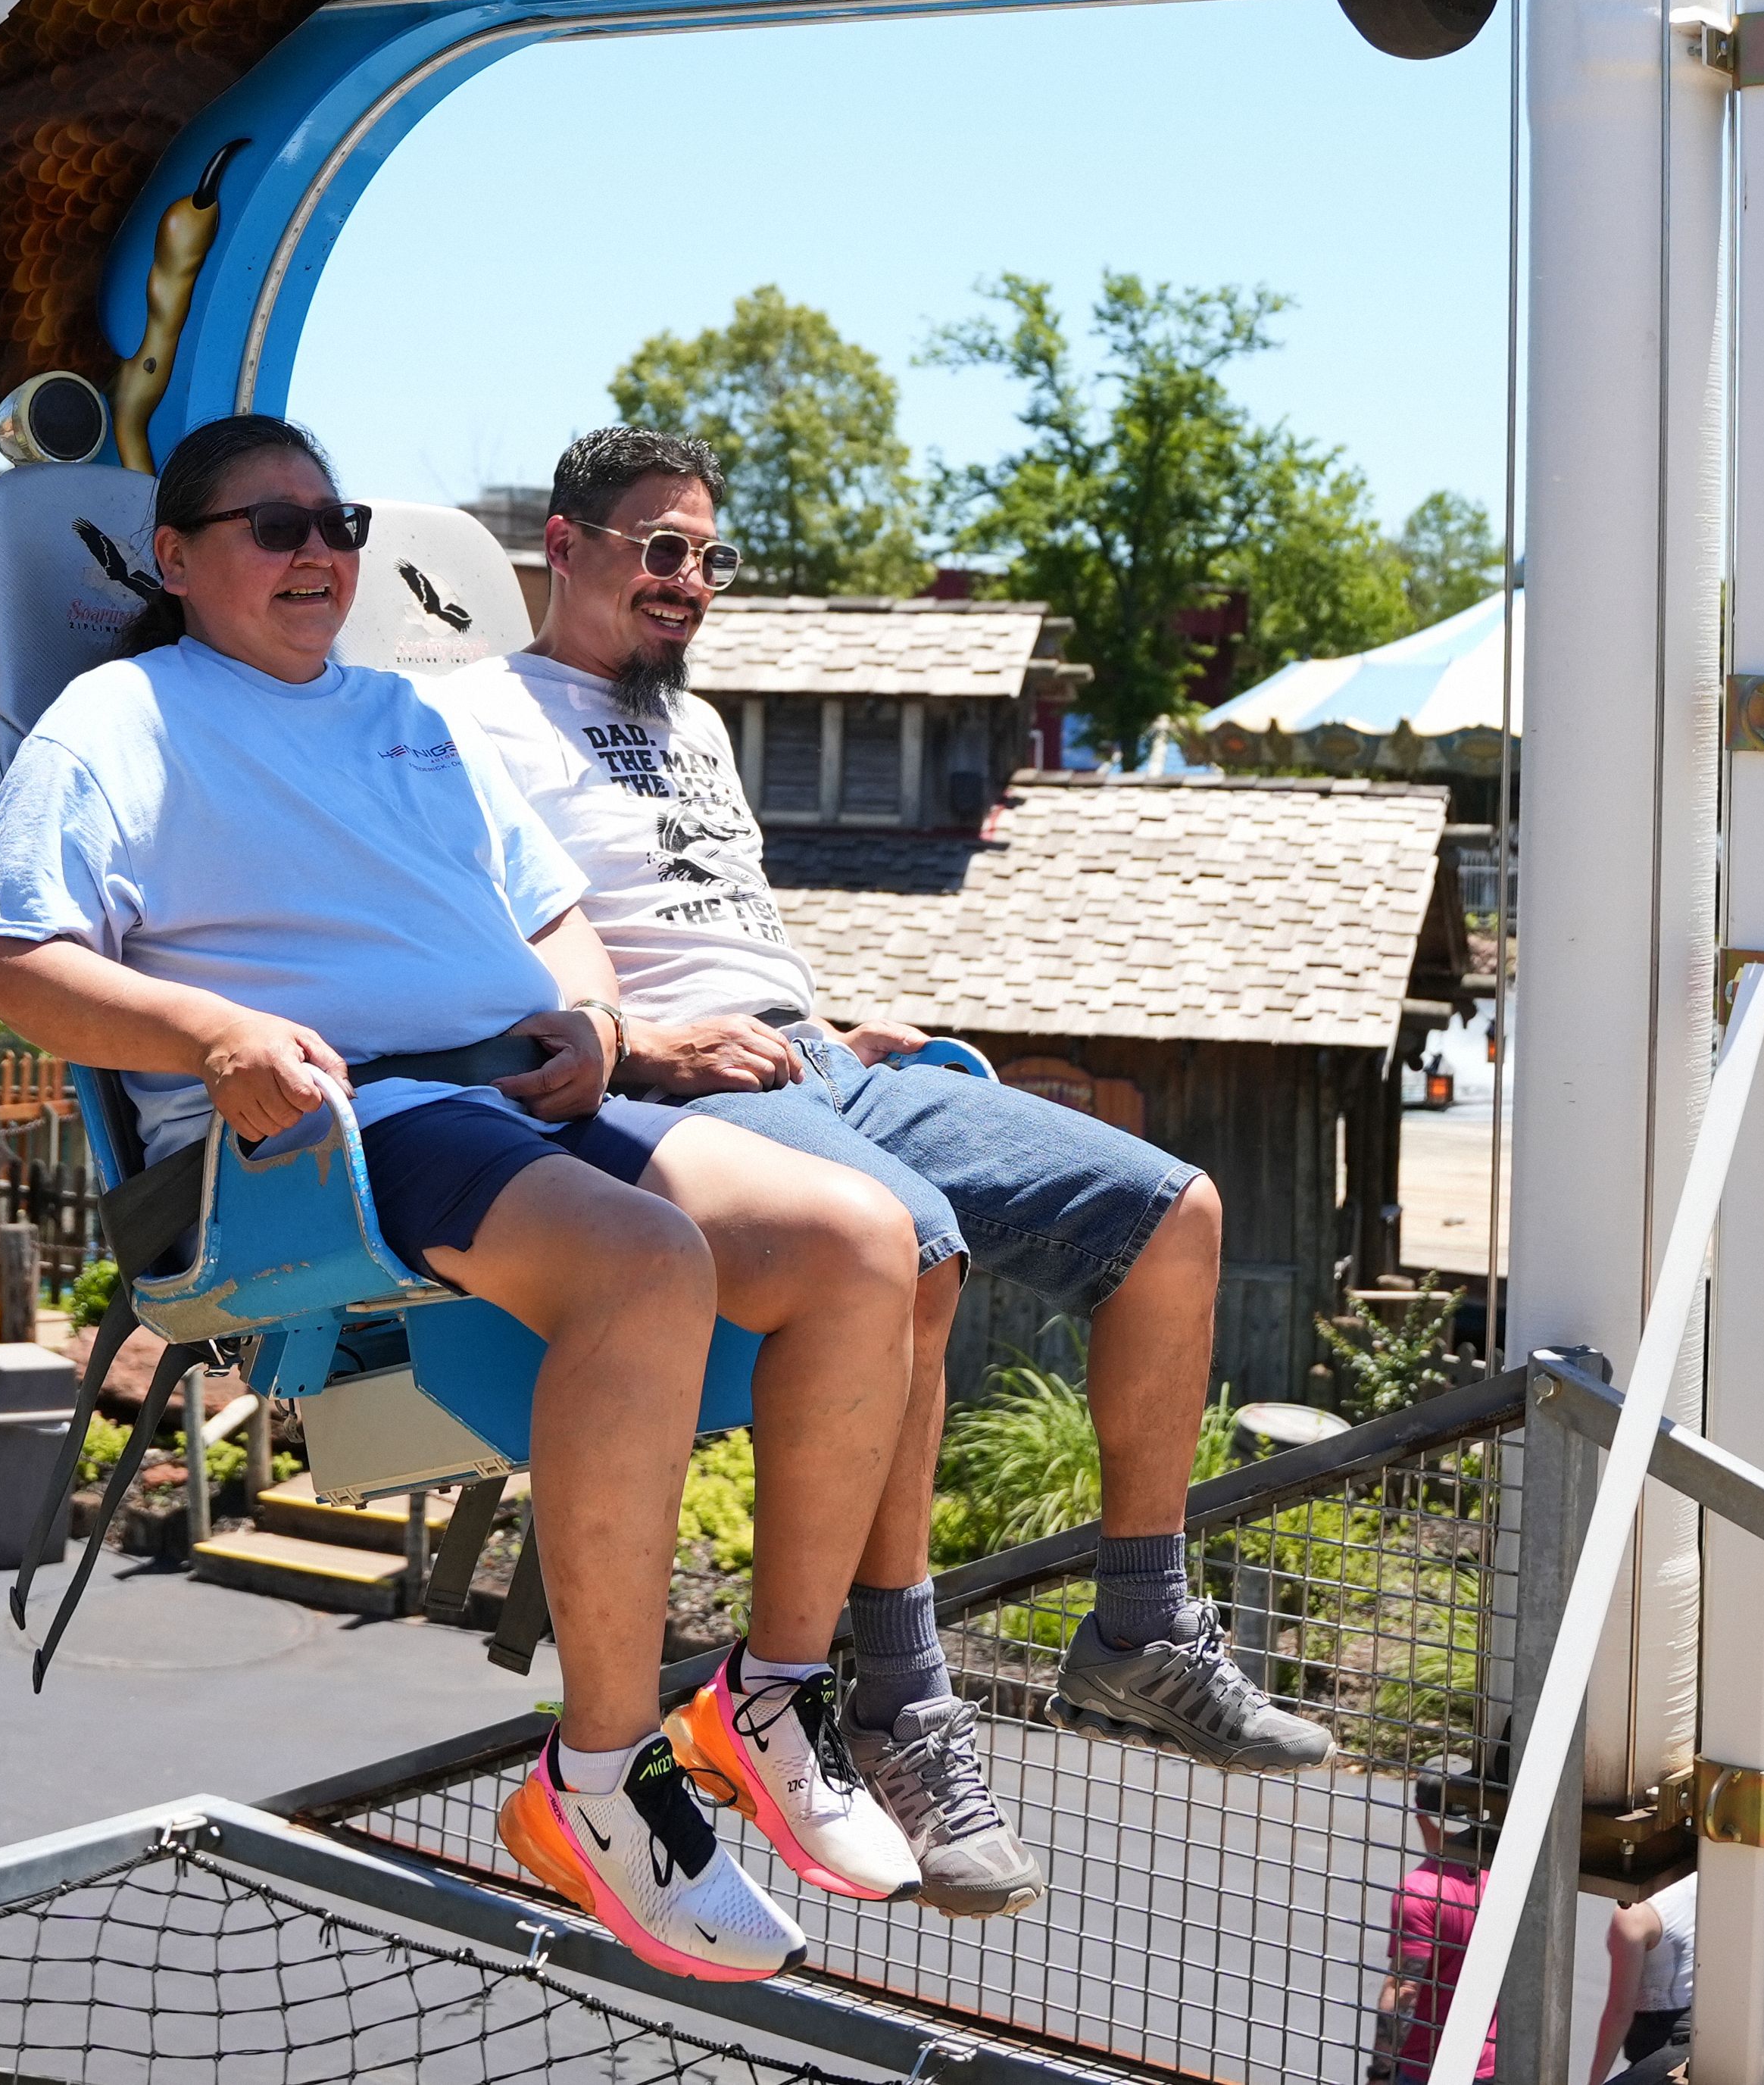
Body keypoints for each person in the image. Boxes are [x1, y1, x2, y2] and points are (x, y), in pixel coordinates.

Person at [0, 411, 926, 1987]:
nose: (319, 552)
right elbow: (13, 961)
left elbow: (551, 913)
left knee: (860, 1241)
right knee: (645, 1264)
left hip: (512, 1088)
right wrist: (211, 1037)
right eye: (274, 526)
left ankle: (769, 1695)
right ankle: (598, 1778)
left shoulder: (407, 718)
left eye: (336, 523)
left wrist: (591, 1017)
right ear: (177, 558)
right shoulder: (122, 720)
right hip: (339, 1113)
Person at [442, 426, 1339, 1923]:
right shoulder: (468, 719)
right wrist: (646, 1040)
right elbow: (476, 950)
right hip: (663, 1086)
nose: (689, 581)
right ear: (566, 544)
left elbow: (714, 918)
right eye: (661, 548)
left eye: (710, 557)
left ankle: (1140, 1619)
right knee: (913, 1240)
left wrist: (821, 1019)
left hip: (809, 1056)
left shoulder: (694, 724)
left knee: (1173, 1214)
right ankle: (896, 1704)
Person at [1372, 1761, 1497, 2085]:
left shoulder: (1420, 1891)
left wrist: (1381, 2071)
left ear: (1420, 1814)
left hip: (1427, 2066)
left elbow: (1404, 1990)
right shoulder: (1502, 1878)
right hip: (1491, 2063)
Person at [1591, 1873, 1700, 2078]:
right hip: (1700, 2031)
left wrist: (1595, 2081)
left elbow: (1619, 2012)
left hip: (1659, 2042)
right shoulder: (1698, 1877)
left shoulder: (1633, 1915)